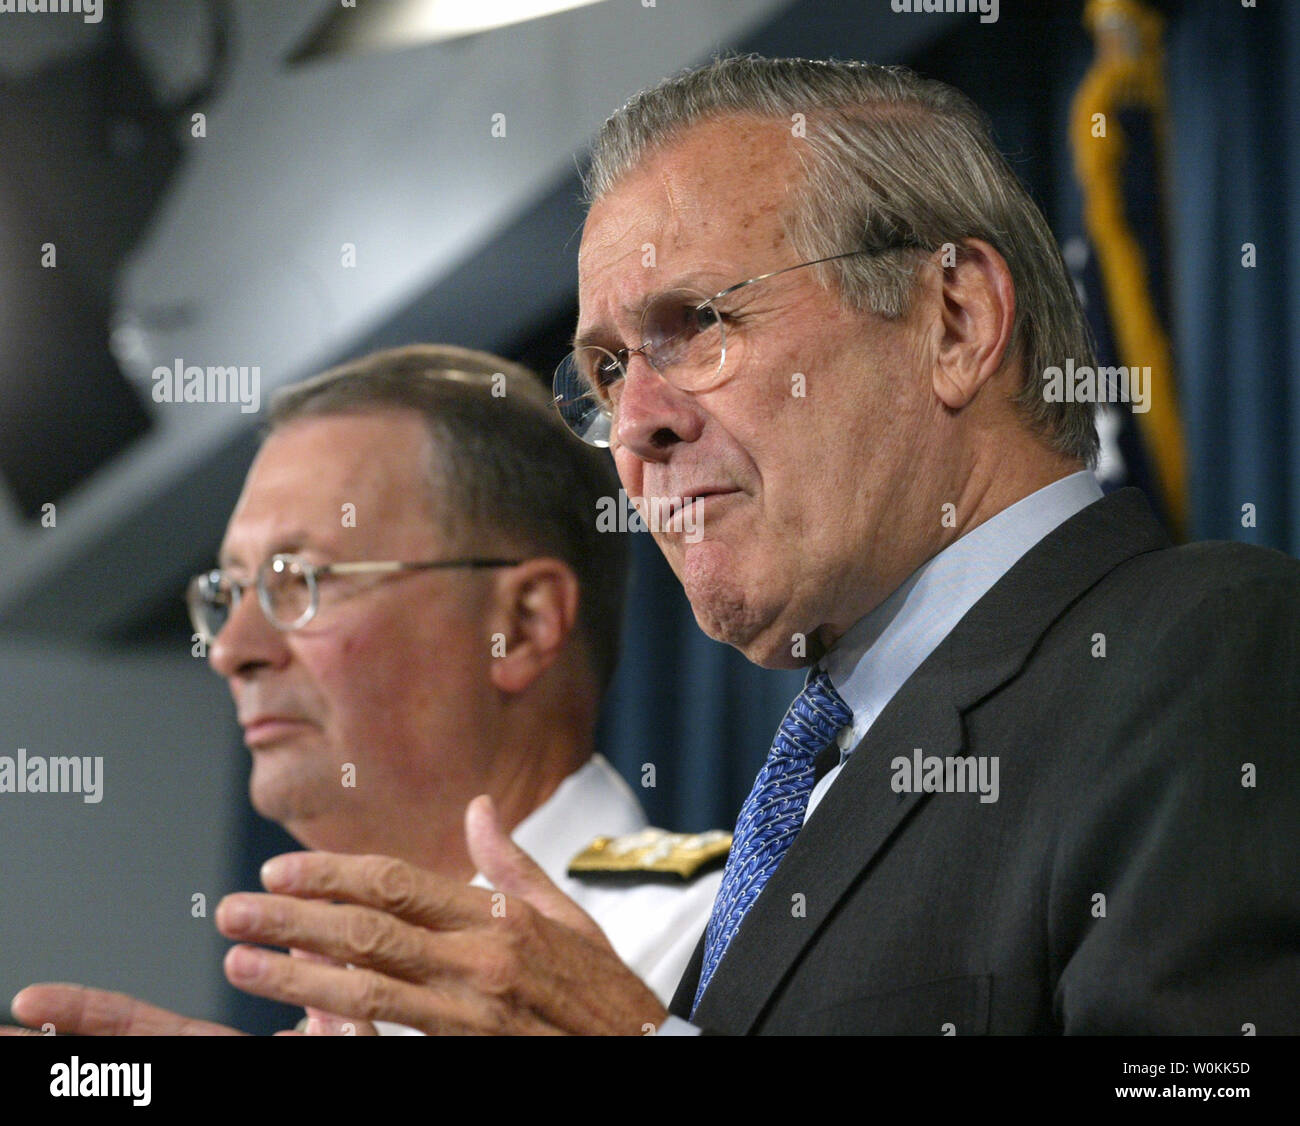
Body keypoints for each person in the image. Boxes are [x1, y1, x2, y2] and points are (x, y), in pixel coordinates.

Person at [25, 54, 1299, 1037]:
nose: (633, 424)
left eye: (694, 325)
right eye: (603, 368)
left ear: (954, 318)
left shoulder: (1212, 651)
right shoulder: (815, 786)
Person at [7, 344, 723, 1037]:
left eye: (302, 581)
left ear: (524, 624)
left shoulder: (720, 938)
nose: (231, 650)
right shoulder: (348, 1001)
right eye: (230, 592)